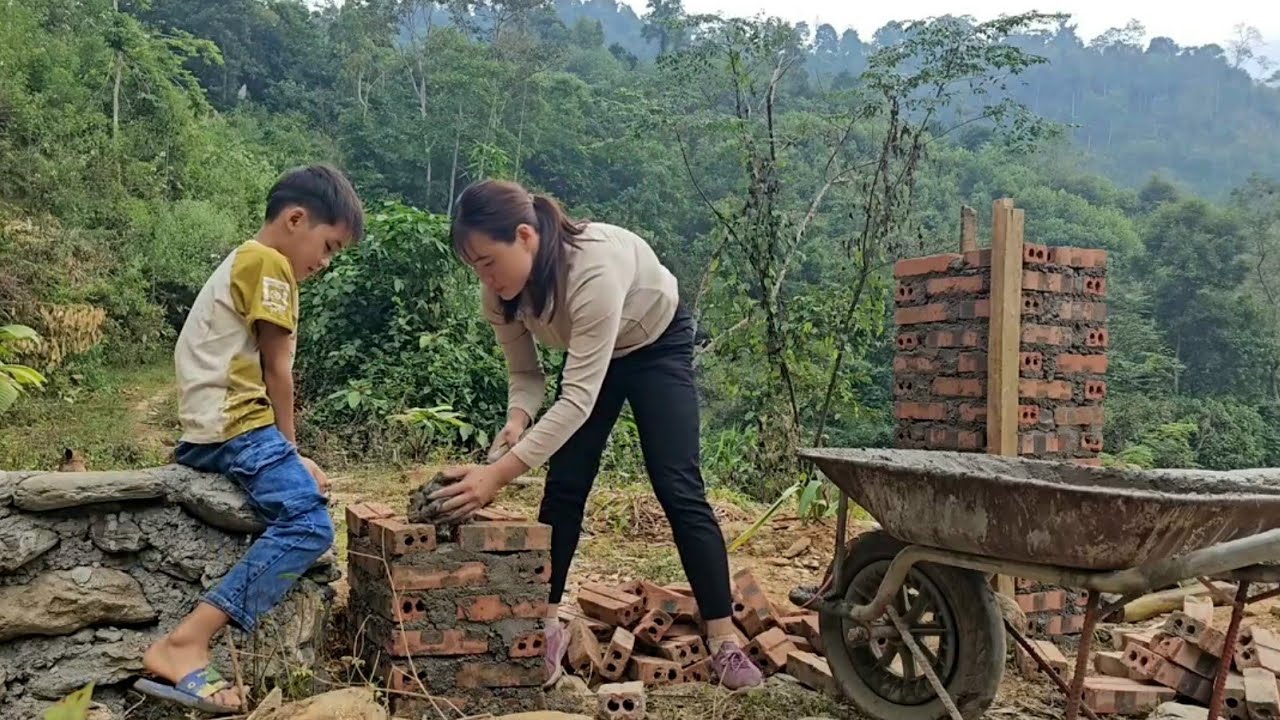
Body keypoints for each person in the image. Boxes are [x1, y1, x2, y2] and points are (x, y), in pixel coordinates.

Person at [430, 179, 764, 691]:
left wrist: (495, 477)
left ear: (525, 236)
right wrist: (517, 420)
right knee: (565, 485)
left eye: (489, 262)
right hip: (594, 355)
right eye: (475, 267)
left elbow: (576, 402)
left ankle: (723, 639)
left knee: (677, 484)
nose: (486, 278)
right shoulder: (499, 294)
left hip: (656, 343)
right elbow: (526, 375)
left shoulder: (592, 268)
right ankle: (546, 624)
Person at [134, 165, 364, 713]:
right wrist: (290, 451)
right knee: (309, 524)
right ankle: (186, 642)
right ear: (295, 219)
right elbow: (277, 369)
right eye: (328, 247)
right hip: (238, 424)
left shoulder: (241, 259)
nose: (325, 263)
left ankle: (188, 643)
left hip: (206, 430)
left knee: (300, 501)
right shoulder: (270, 263)